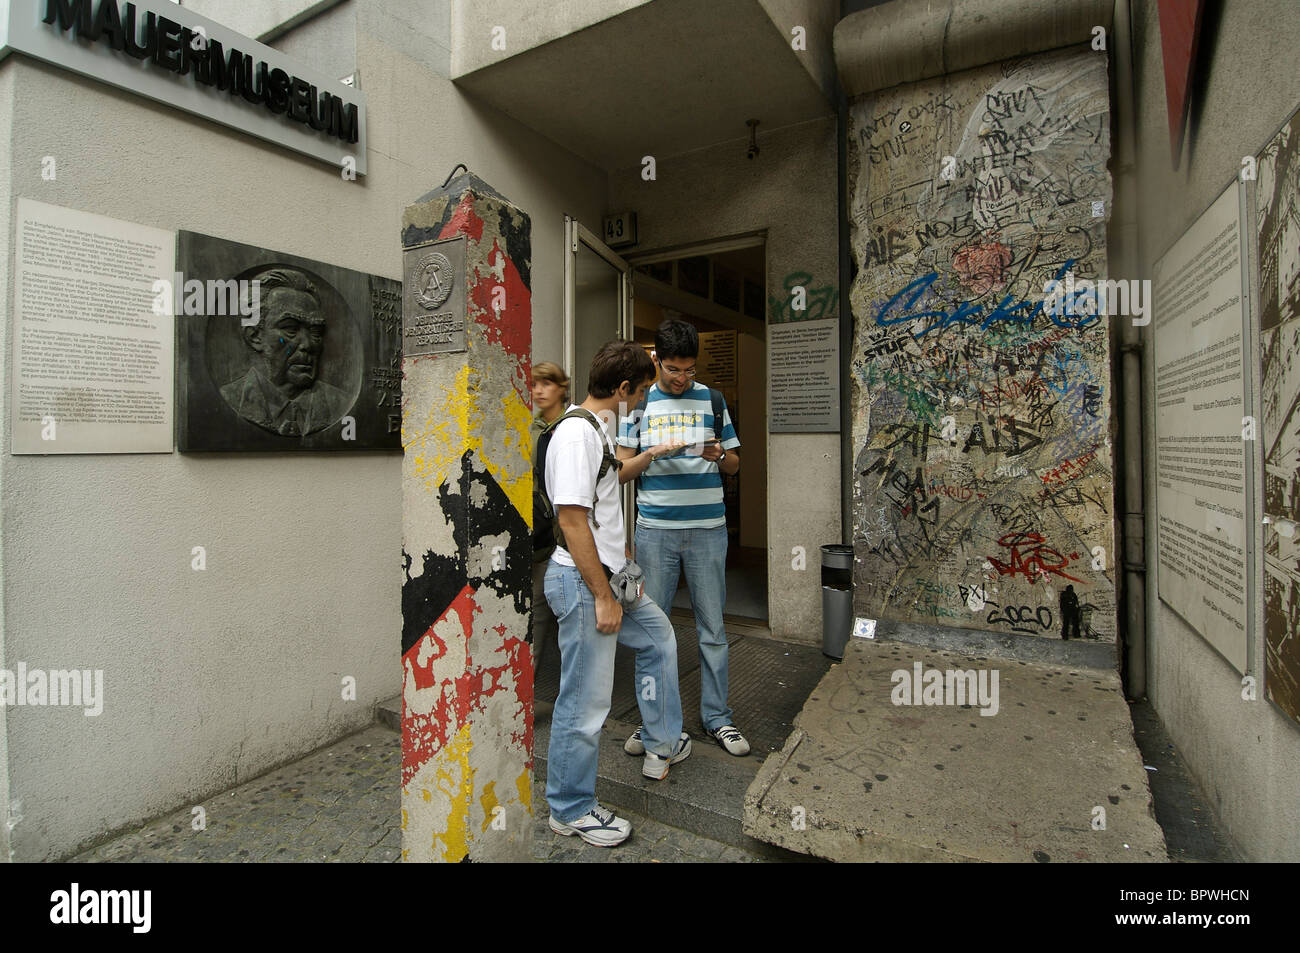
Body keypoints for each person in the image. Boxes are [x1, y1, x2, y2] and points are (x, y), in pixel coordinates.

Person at [543, 340, 690, 848]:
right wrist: (603, 595)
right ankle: (569, 808)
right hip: (587, 585)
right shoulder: (574, 437)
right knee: (584, 704)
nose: (645, 400)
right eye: (643, 391)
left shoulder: (596, 429)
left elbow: (606, 487)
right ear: (623, 389)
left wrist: (649, 456)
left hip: (610, 576)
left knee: (659, 640)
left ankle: (660, 740)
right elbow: (570, 518)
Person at [617, 319, 750, 756]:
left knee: (712, 627)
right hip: (655, 531)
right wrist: (653, 452)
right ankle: (654, 722)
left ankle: (718, 717)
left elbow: (734, 464)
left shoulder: (712, 398)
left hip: (709, 530)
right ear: (658, 360)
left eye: (689, 370)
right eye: (674, 369)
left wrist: (718, 454)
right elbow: (621, 471)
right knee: (654, 632)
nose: (682, 379)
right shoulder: (637, 403)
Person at [219, 268, 352, 436]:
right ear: (255, 336)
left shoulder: (340, 403)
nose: (307, 344)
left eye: (316, 332)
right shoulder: (229, 399)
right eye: (290, 328)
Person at [530, 361, 569, 673]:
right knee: (536, 606)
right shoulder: (530, 429)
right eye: (536, 384)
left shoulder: (572, 427)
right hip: (536, 531)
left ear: (562, 388)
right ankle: (525, 684)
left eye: (547, 383)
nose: (540, 390)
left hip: (567, 530)